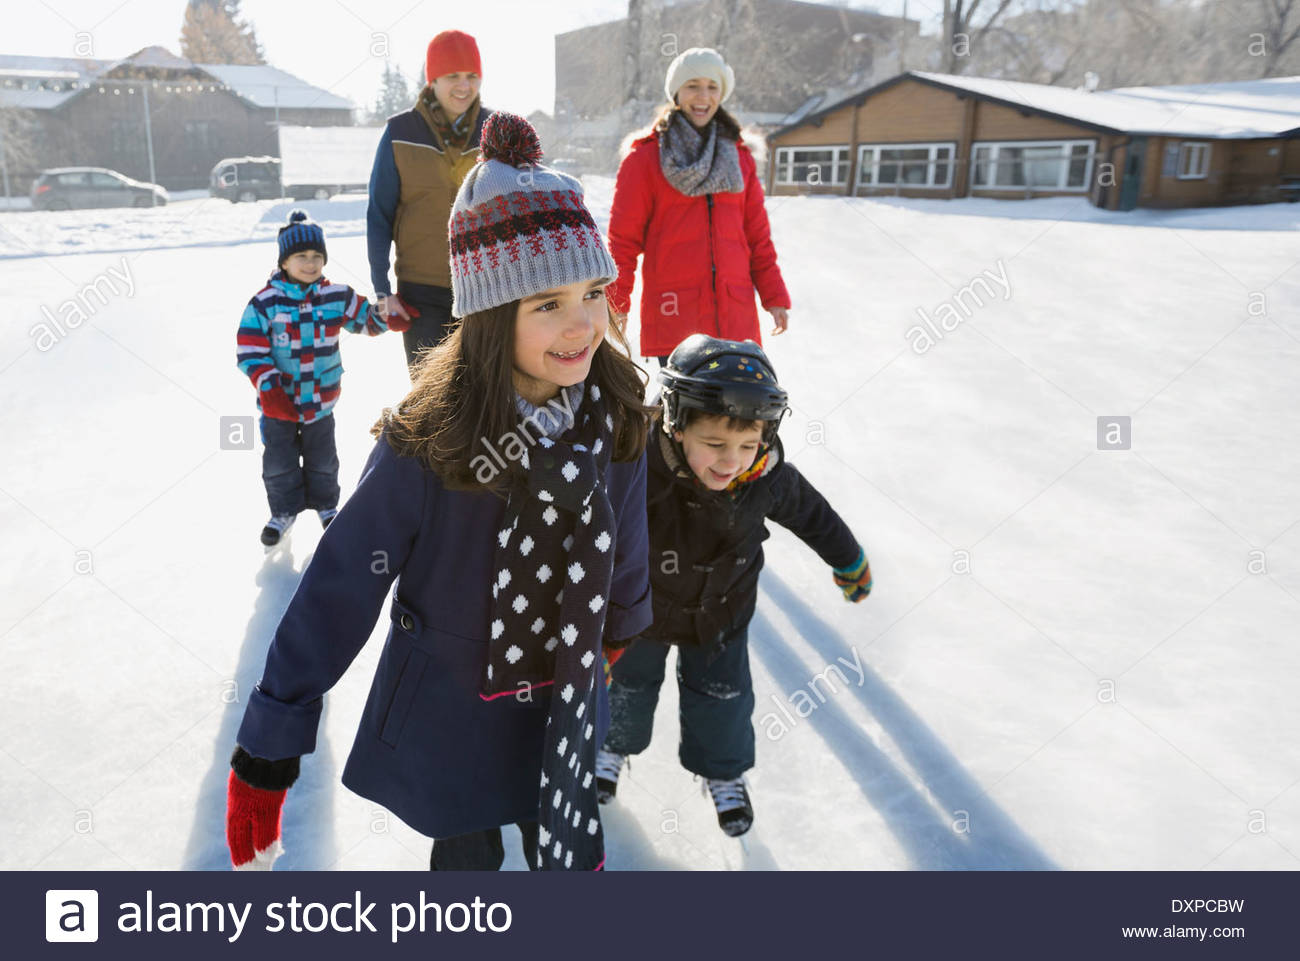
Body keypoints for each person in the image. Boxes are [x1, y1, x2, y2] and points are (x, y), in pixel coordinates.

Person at [226, 114, 654, 872]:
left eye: (593, 291)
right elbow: (340, 586)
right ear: (490, 316)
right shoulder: (429, 443)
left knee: (555, 835)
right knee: (466, 861)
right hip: (451, 709)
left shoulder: (613, 416)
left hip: (560, 700)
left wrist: (615, 630)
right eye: (546, 303)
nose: (582, 323)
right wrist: (270, 738)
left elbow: (626, 543)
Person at [594, 335, 872, 837]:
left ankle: (723, 774)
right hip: (642, 609)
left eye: (748, 445)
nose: (732, 461)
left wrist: (848, 559)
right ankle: (610, 748)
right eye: (715, 444)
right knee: (627, 683)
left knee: (721, 697)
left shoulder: (767, 476)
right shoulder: (640, 465)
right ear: (677, 426)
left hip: (722, 613)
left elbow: (815, 517)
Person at [607, 47, 792, 365]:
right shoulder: (646, 159)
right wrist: (616, 302)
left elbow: (757, 237)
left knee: (739, 409)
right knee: (682, 409)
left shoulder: (740, 158)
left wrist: (774, 297)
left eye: (712, 86)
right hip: (676, 314)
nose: (702, 96)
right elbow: (623, 241)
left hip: (735, 316)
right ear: (677, 92)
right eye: (693, 85)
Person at [237, 209, 409, 547]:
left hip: (320, 401)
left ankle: (327, 507)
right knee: (279, 463)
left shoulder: (335, 297)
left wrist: (389, 315)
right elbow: (249, 348)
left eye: (317, 256)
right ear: (284, 261)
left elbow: (365, 321)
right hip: (278, 405)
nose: (311, 262)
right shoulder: (264, 303)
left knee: (324, 460)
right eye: (301, 255)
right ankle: (283, 512)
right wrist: (269, 385)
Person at [367, 29, 493, 374]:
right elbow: (379, 215)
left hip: (485, 290)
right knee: (430, 403)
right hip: (420, 294)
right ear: (433, 79)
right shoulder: (400, 133)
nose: (464, 86)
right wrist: (382, 290)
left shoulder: (495, 131)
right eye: (453, 76)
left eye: (472, 76)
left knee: (484, 399)